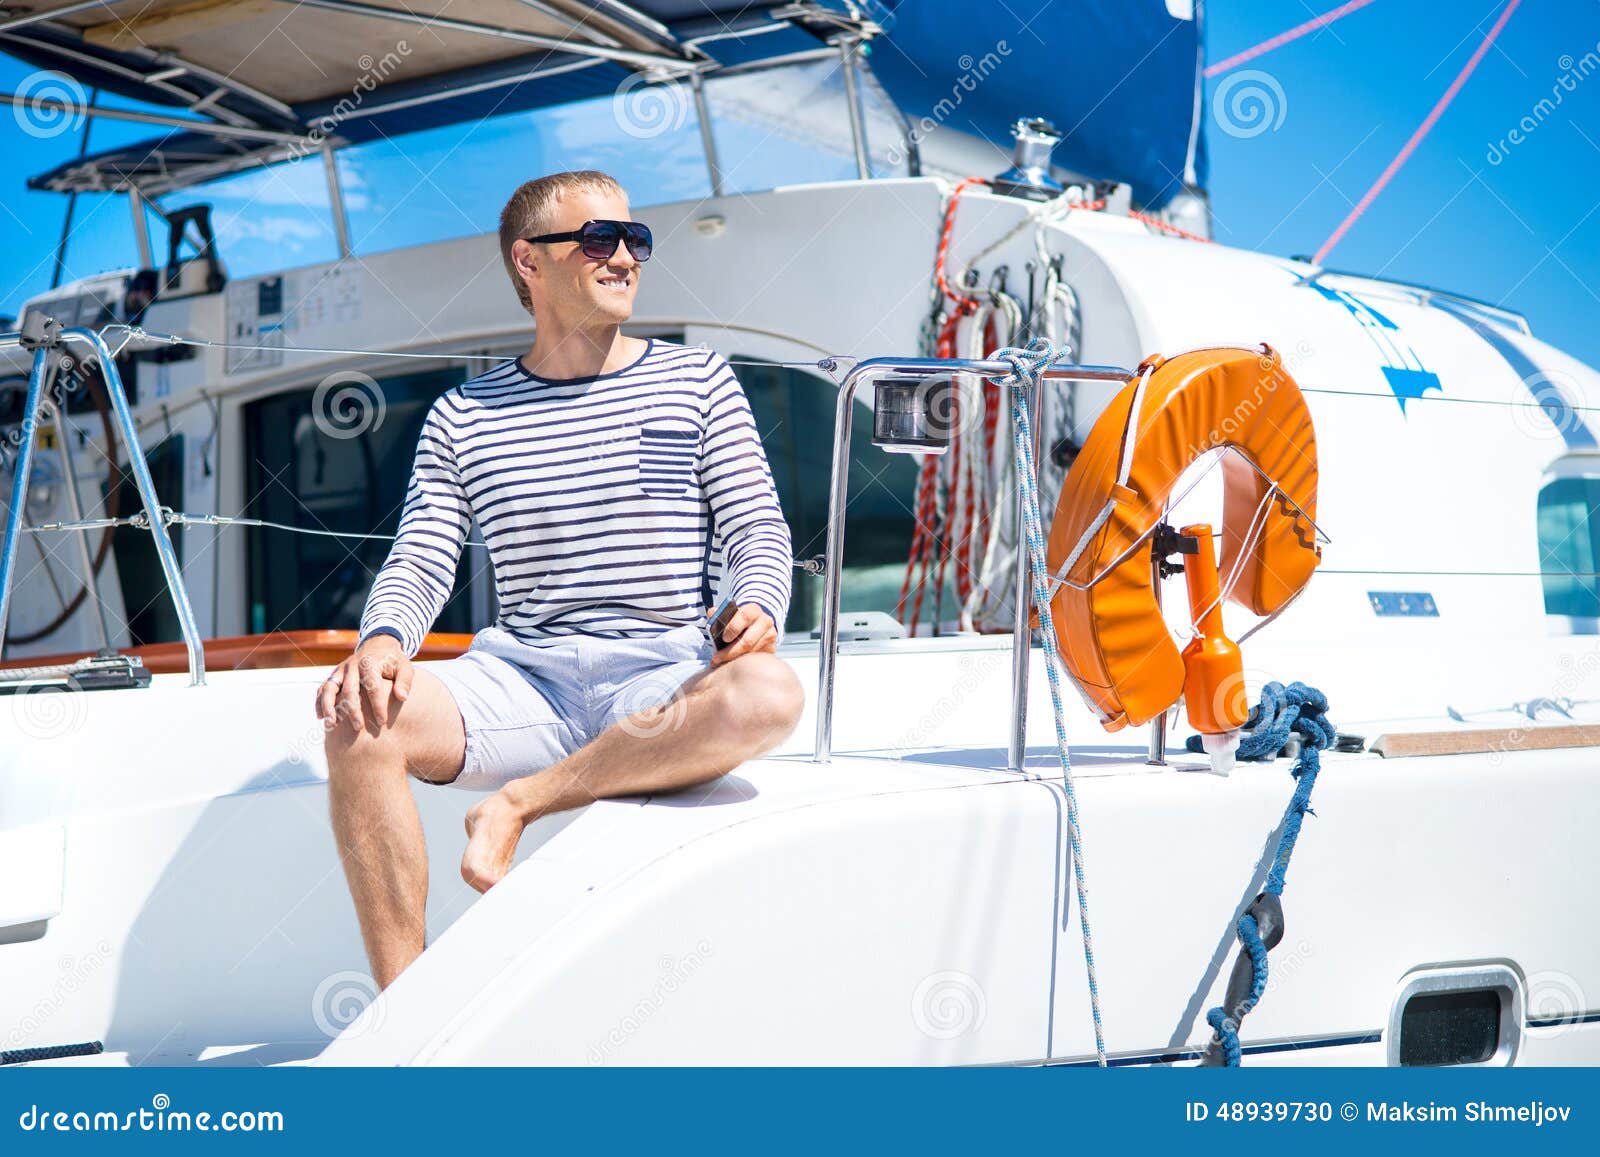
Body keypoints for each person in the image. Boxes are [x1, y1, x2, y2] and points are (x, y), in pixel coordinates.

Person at [316, 170, 803, 989]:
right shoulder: (464, 415)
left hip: (657, 679)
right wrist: (384, 642)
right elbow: (424, 552)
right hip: (522, 680)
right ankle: (406, 1014)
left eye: (634, 240)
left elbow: (758, 525)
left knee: (767, 695)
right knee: (359, 719)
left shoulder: (699, 381)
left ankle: (516, 804)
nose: (624, 258)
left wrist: (756, 598)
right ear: (528, 262)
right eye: (598, 240)